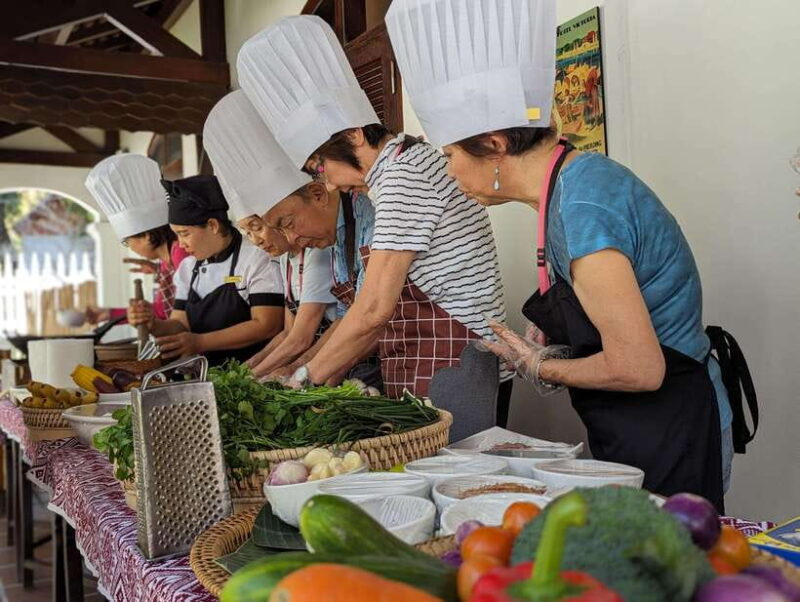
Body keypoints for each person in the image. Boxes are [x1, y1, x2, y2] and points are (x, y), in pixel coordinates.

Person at [387, 0, 734, 509]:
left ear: (495, 142)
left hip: (669, 420)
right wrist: (555, 337)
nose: (451, 173)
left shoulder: (581, 204)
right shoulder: (567, 187)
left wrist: (539, 366)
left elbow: (640, 367)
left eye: (451, 156)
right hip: (636, 421)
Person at [238, 15, 512, 438]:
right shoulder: (392, 174)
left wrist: (303, 381)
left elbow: (372, 308)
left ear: (353, 135)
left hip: (458, 358)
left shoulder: (403, 174)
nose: (325, 181)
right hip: (431, 354)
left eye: (320, 165)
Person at [203, 90, 338, 378]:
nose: (258, 239)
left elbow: (302, 338)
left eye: (259, 227)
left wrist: (271, 376)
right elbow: (288, 332)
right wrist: (246, 372)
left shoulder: (319, 249)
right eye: (247, 232)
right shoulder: (287, 259)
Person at [127, 175, 284, 367]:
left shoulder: (256, 258)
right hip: (208, 376)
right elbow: (180, 324)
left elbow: (267, 324)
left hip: (256, 373)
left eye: (185, 234)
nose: (181, 244)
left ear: (213, 225)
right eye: (177, 235)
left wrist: (200, 342)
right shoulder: (188, 268)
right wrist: (153, 324)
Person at [84, 154, 189, 324]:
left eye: (127, 241)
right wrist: (109, 315)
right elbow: (162, 311)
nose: (130, 247)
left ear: (147, 236)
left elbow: (180, 313)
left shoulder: (181, 253)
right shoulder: (167, 260)